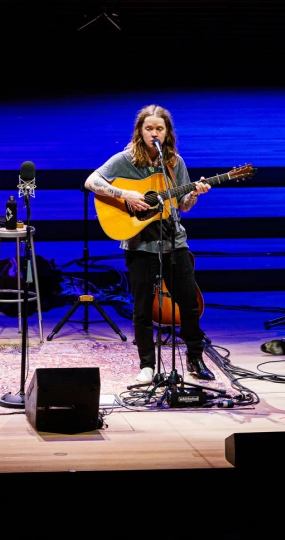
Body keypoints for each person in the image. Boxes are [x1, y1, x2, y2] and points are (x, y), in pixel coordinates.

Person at [85, 104, 215, 383]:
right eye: (149, 128)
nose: (154, 132)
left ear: (167, 132)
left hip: (174, 241)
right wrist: (126, 195)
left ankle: (194, 358)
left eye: (159, 128)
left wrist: (196, 193)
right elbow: (91, 181)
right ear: (140, 130)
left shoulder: (174, 162)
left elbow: (184, 205)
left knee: (189, 305)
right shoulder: (125, 160)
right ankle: (147, 364)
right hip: (139, 244)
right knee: (142, 306)